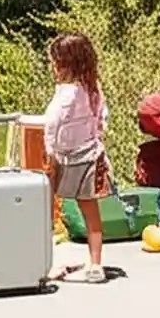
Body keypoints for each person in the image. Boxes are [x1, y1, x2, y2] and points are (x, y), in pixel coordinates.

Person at [43, 32, 111, 284]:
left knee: (47, 207)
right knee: (89, 210)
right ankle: (95, 263)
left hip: (66, 158)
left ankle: (45, 260)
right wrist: (96, 132)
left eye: (55, 62)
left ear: (65, 64)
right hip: (90, 154)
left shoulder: (67, 93)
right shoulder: (91, 88)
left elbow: (52, 123)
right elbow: (103, 116)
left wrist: (49, 151)